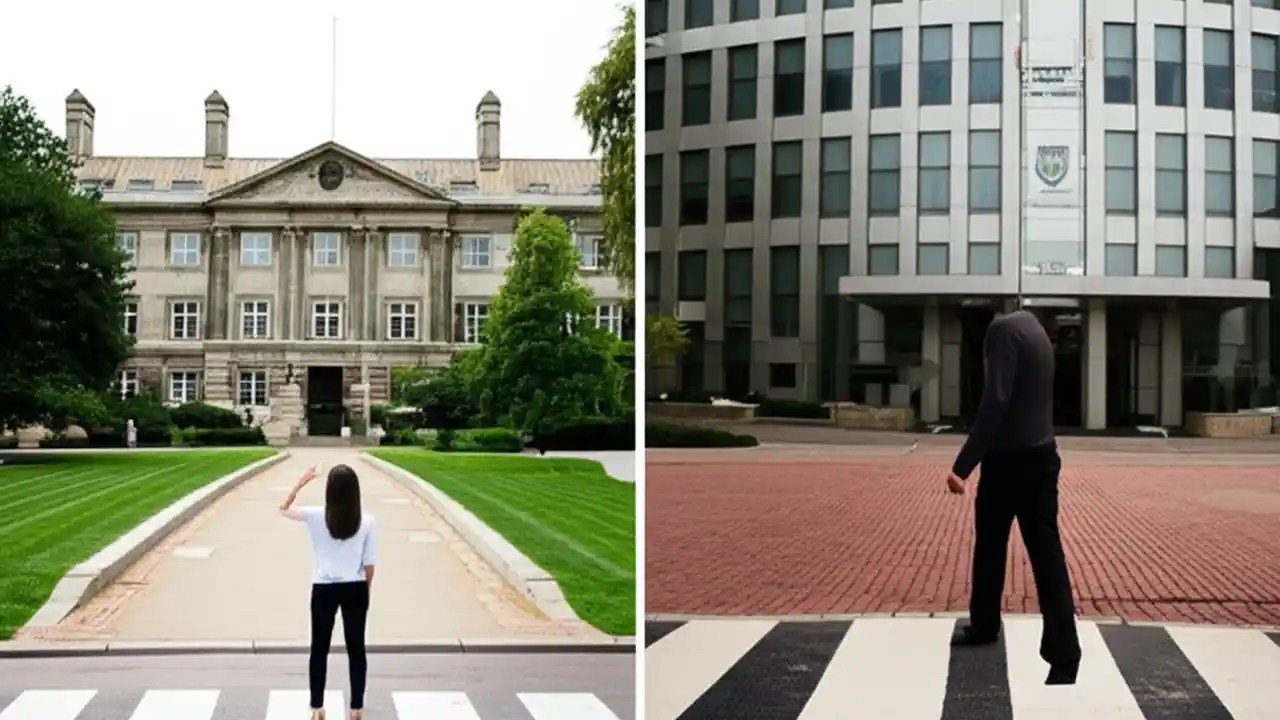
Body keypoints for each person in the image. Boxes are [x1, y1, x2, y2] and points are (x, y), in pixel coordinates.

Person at [944, 299, 1081, 686]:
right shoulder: (1030, 326)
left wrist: (962, 466)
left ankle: (985, 625)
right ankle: (1064, 653)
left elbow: (996, 399)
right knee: (1046, 555)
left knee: (990, 544)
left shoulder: (998, 334)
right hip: (1041, 456)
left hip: (1009, 463)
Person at [280, 464, 377, 720]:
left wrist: (301, 482)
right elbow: (370, 563)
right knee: (356, 648)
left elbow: (283, 509)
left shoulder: (315, 516)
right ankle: (356, 708)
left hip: (324, 587)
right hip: (355, 587)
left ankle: (317, 706)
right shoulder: (367, 520)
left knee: (319, 648)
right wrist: (364, 590)